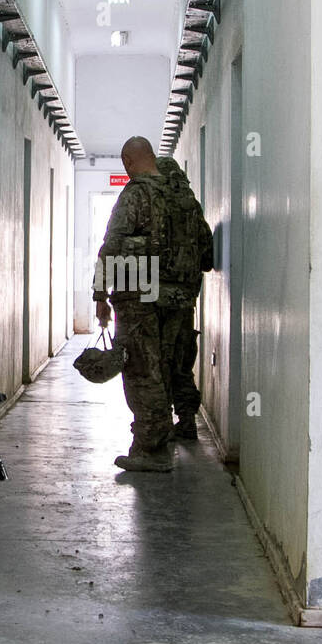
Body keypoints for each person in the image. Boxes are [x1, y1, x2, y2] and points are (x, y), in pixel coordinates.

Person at [93, 136, 210, 472]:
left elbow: (112, 245)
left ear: (128, 160)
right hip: (180, 297)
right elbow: (204, 248)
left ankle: (150, 449)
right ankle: (170, 430)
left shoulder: (136, 192)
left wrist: (100, 294)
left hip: (141, 296)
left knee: (143, 371)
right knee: (171, 365)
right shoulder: (184, 197)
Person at [154, 156, 213, 440]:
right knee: (182, 361)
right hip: (185, 300)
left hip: (155, 298)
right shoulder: (193, 207)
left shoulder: (154, 203)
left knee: (155, 362)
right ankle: (187, 419)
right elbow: (208, 258)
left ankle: (160, 422)